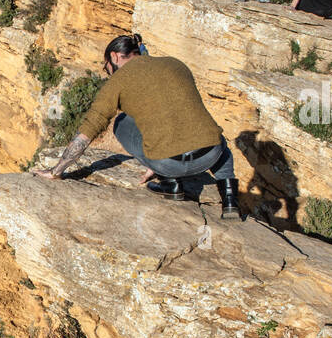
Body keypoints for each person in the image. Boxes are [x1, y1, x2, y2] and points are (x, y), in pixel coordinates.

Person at [31, 34, 240, 218]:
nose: (108, 73)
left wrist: (56, 171)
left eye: (106, 68)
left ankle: (171, 182)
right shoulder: (175, 63)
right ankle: (230, 198)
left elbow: (88, 131)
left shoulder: (118, 81)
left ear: (114, 57)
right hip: (211, 154)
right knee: (213, 135)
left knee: (122, 123)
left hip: (169, 163)